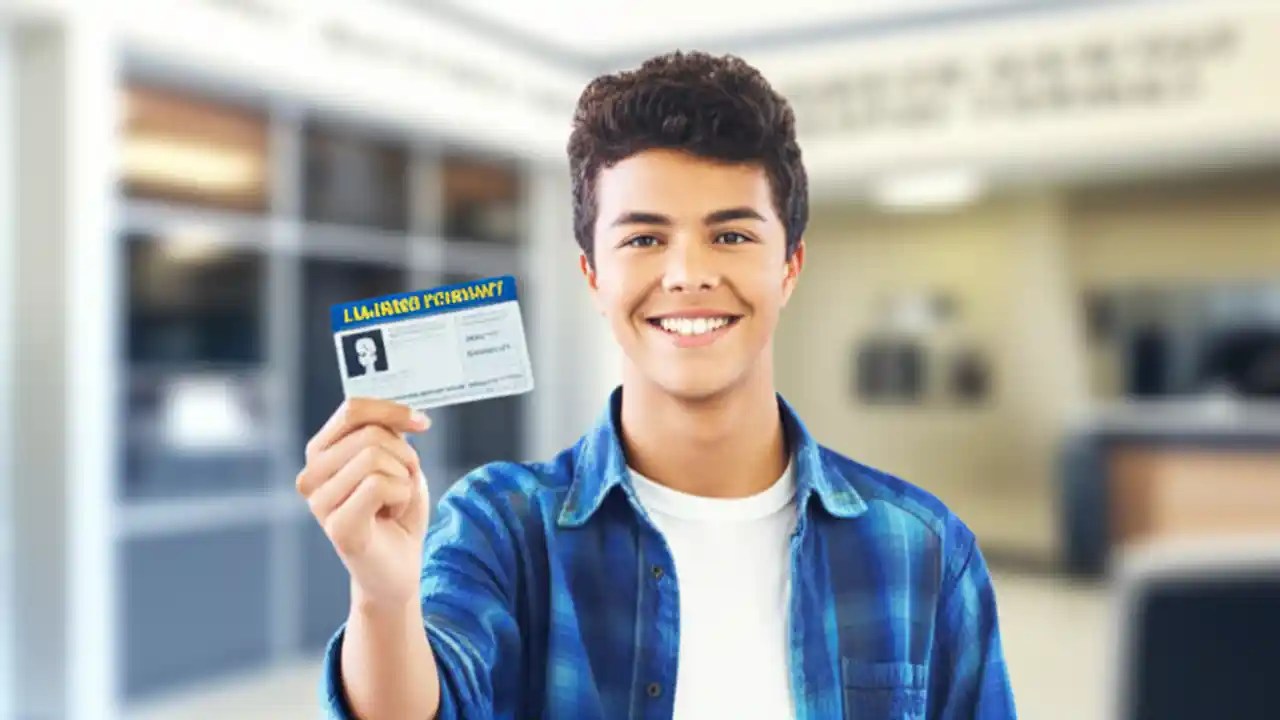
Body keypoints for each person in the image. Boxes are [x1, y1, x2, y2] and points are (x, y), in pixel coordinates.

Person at [297, 50, 1017, 719]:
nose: (687, 274)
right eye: (644, 239)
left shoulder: (922, 550)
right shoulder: (502, 526)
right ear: (593, 276)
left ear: (790, 266)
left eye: (730, 235)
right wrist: (383, 597)